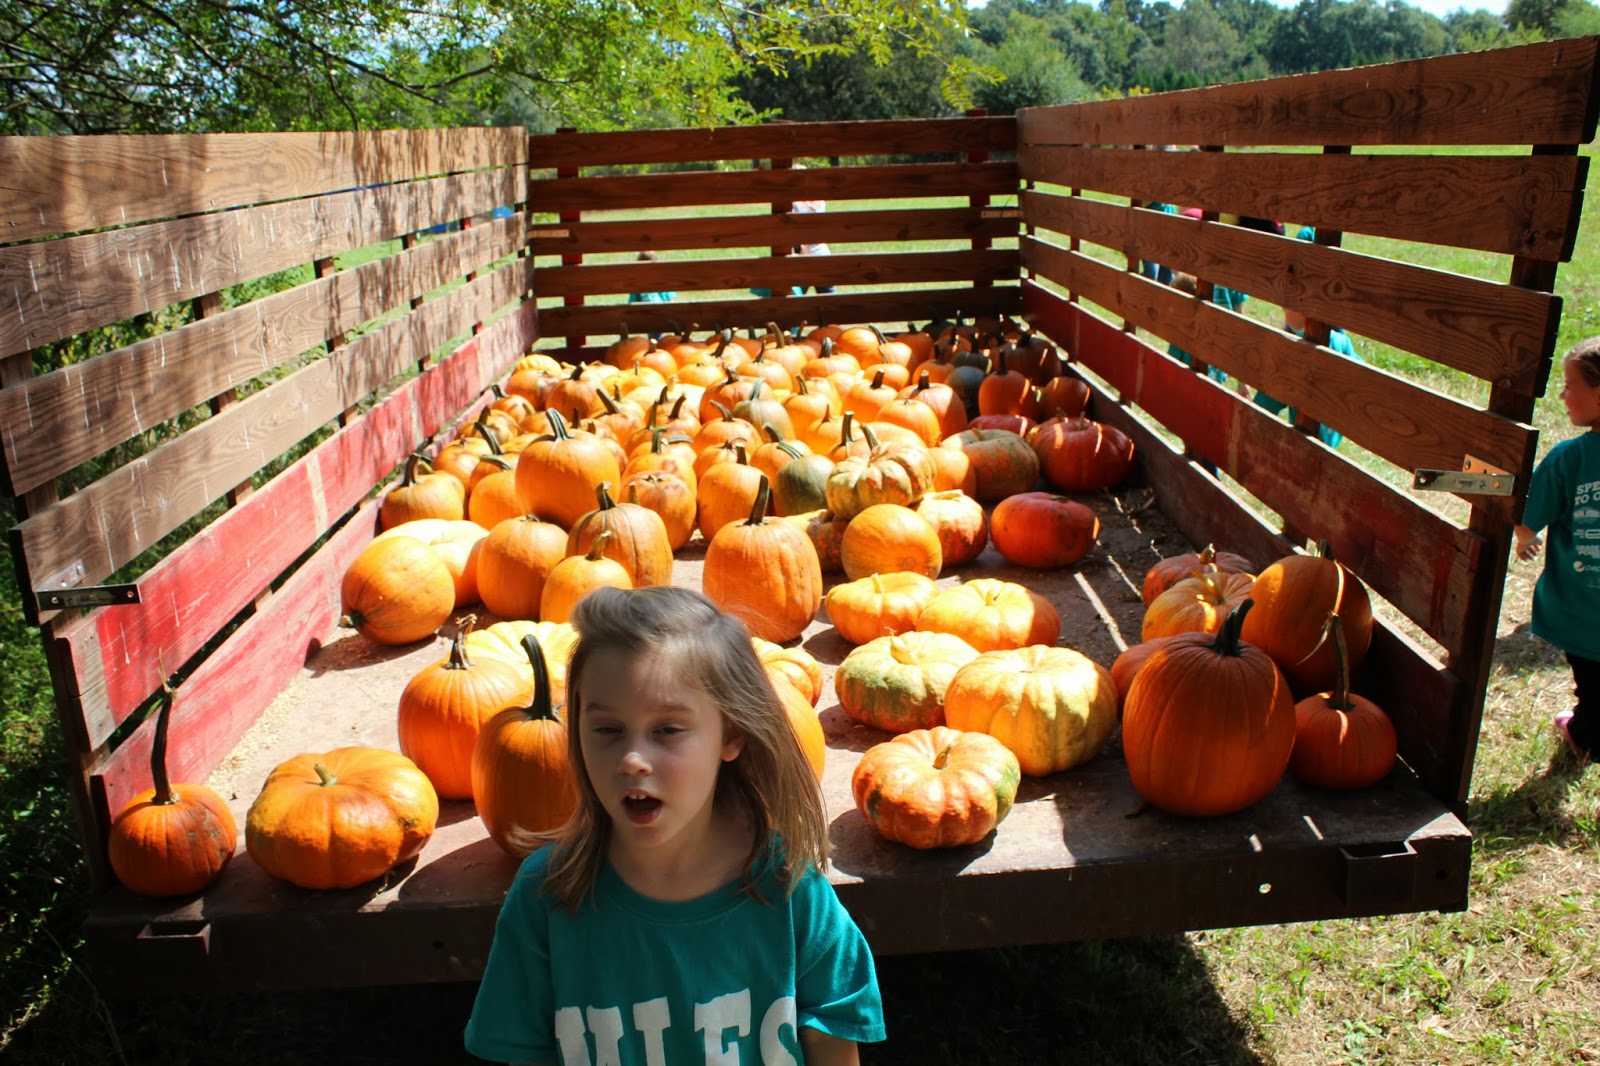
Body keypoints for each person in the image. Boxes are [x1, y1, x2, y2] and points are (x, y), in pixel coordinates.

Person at [464, 585, 884, 1065]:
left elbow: (832, 1041)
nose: (632, 759)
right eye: (607, 729)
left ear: (731, 733)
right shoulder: (547, 894)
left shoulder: (789, 888)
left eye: (667, 730)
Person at [1513, 337, 1600, 764]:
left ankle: (1584, 734)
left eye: (1570, 385)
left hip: (1583, 612)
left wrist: (1524, 537)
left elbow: (1529, 518)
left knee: (1593, 687)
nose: (1562, 396)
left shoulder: (1568, 458)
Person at [791, 164, 834, 295]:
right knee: (828, 302)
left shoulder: (792, 202)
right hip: (822, 256)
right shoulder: (820, 201)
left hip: (803, 260)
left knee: (793, 301)